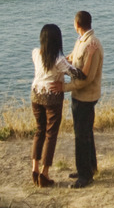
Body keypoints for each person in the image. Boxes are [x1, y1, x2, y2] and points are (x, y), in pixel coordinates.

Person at [30, 23, 81, 188]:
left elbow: (48, 67)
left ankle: (35, 169)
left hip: (36, 95)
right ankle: (45, 173)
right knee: (51, 134)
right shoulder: (59, 58)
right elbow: (76, 74)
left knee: (39, 131)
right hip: (52, 97)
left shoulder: (36, 53)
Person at [64, 10, 105, 188]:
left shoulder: (92, 44)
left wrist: (64, 88)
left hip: (86, 97)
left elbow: (87, 78)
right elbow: (73, 59)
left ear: (77, 25)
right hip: (79, 96)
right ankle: (89, 167)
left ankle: (85, 175)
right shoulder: (81, 41)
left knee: (82, 135)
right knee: (85, 133)